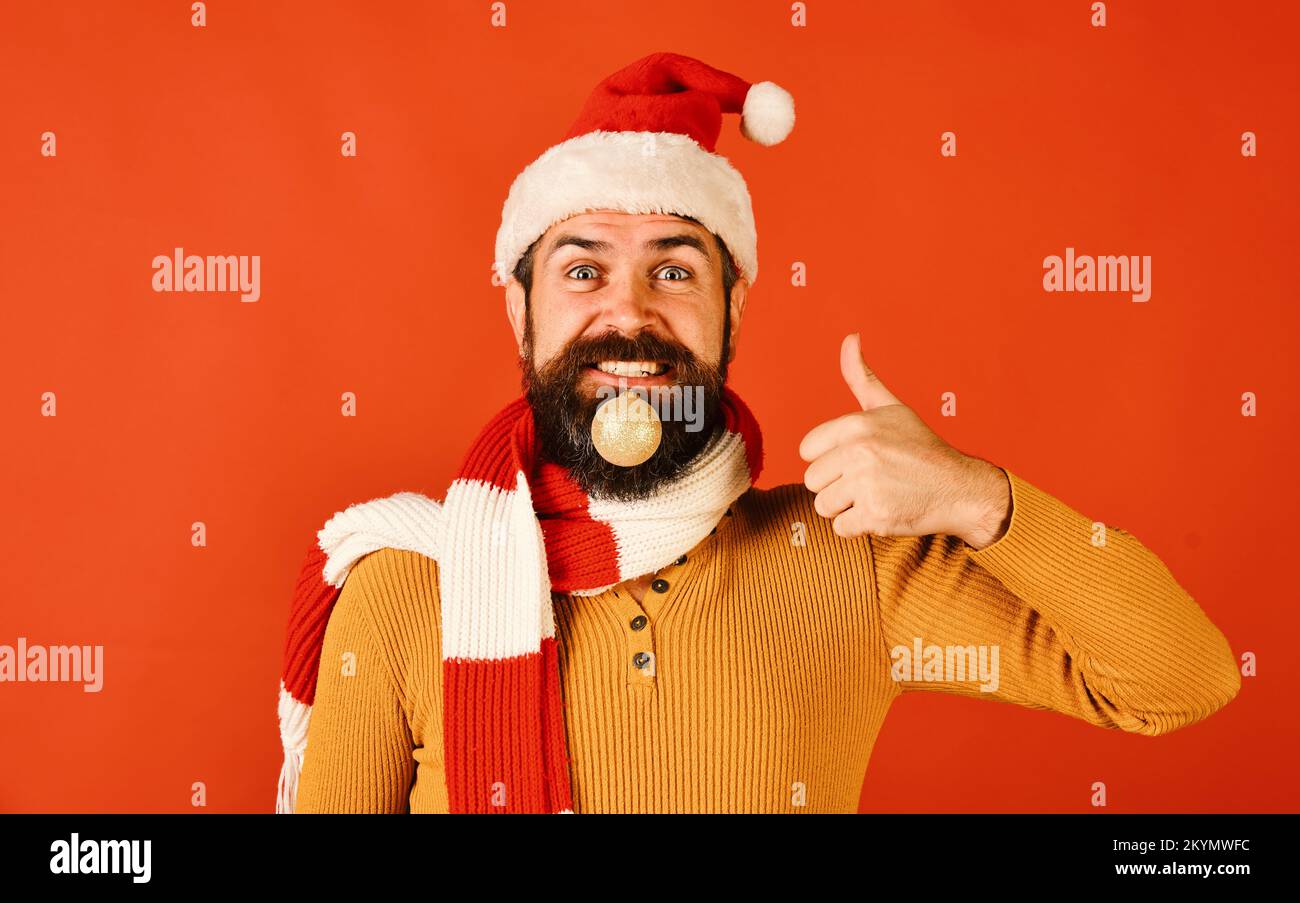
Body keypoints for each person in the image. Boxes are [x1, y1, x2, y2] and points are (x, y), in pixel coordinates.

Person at [274, 51, 1239, 814]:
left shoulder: (850, 556)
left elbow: (1176, 681)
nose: (630, 315)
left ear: (733, 304)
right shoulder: (406, 586)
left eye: (676, 270)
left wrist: (974, 497)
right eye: (581, 271)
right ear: (520, 314)